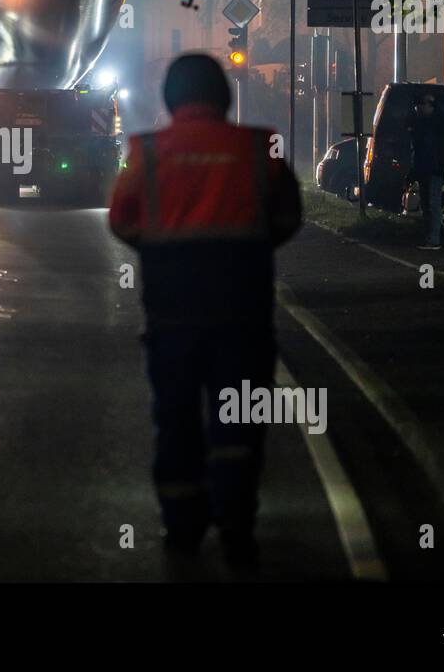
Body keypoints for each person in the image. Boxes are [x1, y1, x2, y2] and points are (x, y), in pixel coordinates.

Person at [108, 53, 302, 569]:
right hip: (243, 316)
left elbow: (122, 220)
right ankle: (238, 527)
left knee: (175, 420)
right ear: (225, 95)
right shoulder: (261, 149)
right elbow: (286, 217)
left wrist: (161, 249)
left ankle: (182, 531)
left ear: (169, 98)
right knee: (238, 424)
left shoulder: (146, 152)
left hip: (171, 319)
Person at [408, 91, 444, 250]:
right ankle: (430, 239)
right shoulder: (423, 124)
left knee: (432, 205)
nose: (417, 108)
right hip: (427, 169)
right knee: (427, 205)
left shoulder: (436, 124)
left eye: (420, 105)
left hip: (433, 170)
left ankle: (433, 240)